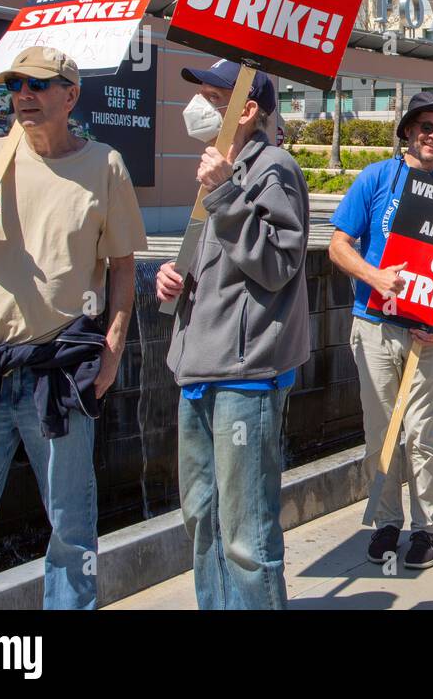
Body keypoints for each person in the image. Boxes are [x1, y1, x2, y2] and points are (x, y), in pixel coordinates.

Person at [0, 47, 147, 609]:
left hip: (59, 368)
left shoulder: (105, 166)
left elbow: (123, 266)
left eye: (38, 84)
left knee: (71, 528)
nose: (23, 94)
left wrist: (114, 349)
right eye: (15, 84)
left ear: (70, 95)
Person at [154, 60, 309, 609]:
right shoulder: (219, 170)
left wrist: (224, 195)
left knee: (246, 530)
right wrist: (173, 278)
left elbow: (275, 264)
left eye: (213, 96)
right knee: (201, 517)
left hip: (245, 375)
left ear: (247, 109)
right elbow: (214, 262)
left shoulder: (273, 168)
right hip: (197, 366)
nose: (199, 105)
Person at [329, 92, 433, 571]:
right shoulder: (375, 178)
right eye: (426, 126)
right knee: (380, 434)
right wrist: (373, 277)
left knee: (421, 436)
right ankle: (387, 522)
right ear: (408, 130)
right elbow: (339, 246)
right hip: (373, 325)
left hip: (428, 335)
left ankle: (428, 528)